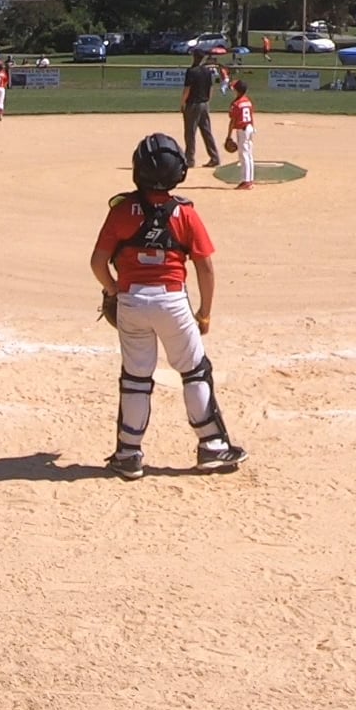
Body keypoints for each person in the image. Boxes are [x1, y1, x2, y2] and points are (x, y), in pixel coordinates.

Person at [90, 133, 247, 480]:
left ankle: (129, 454)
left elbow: (98, 262)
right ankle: (212, 447)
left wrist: (115, 290)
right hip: (173, 301)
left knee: (135, 378)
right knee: (193, 370)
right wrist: (204, 312)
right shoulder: (185, 214)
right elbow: (205, 267)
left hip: (132, 300)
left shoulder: (121, 211)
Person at [180, 51, 220, 168]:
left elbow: (187, 89)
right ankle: (214, 157)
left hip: (193, 104)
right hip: (204, 104)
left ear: (194, 57)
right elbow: (211, 88)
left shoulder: (191, 71)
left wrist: (182, 103)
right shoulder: (207, 71)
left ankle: (190, 160)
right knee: (207, 131)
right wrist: (207, 101)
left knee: (190, 132)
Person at [225, 79, 256, 190]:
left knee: (244, 155)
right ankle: (250, 180)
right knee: (249, 155)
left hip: (242, 130)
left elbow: (232, 121)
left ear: (237, 90)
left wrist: (228, 136)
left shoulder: (236, 104)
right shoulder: (248, 101)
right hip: (250, 128)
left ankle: (246, 182)